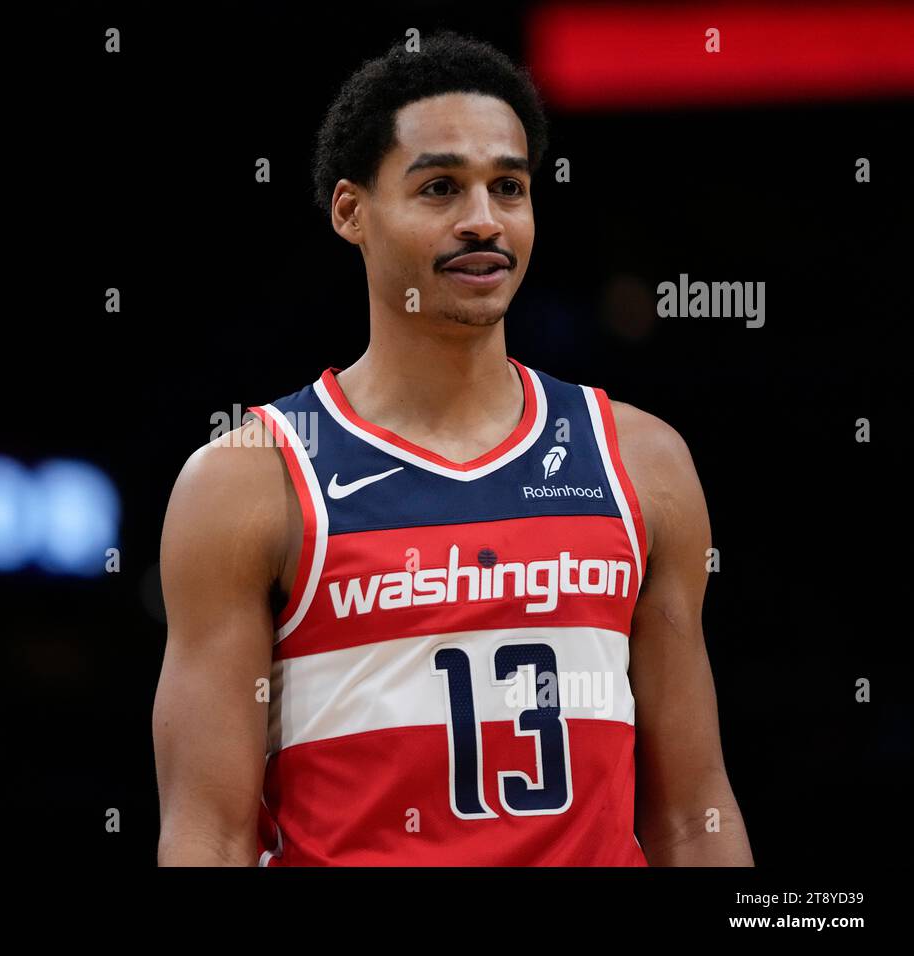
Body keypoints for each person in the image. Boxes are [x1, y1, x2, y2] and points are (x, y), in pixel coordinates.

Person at [153, 30, 752, 866]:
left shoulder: (641, 461)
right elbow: (205, 833)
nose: (483, 221)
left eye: (508, 187)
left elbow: (693, 813)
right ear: (350, 210)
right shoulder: (249, 479)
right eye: (440, 187)